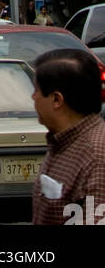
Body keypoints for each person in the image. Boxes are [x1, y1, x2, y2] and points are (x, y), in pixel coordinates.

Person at [31, 50, 105, 225]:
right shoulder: (62, 141)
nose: (33, 97)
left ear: (57, 99)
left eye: (37, 91)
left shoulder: (96, 158)